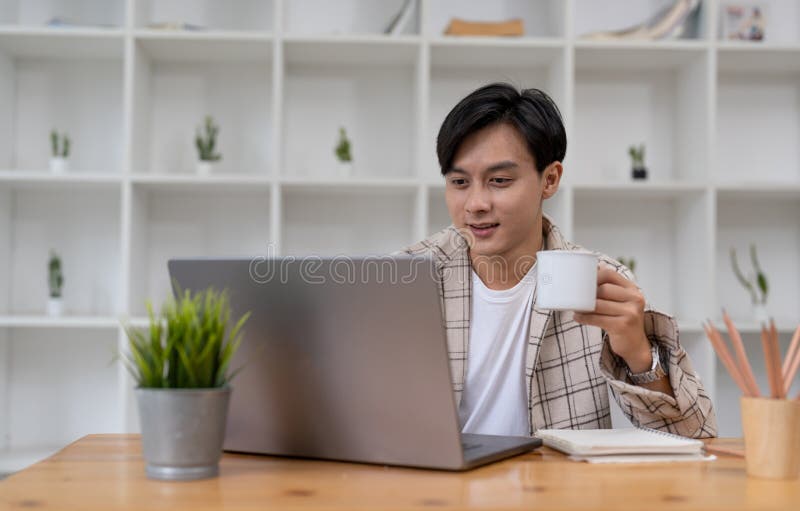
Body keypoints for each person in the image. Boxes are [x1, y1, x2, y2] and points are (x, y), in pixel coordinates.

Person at [401, 83, 717, 438]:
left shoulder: (600, 283)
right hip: (438, 489)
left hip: (556, 491)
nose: (475, 203)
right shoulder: (408, 277)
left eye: (499, 180)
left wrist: (639, 355)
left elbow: (696, 436)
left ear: (549, 179)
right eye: (459, 182)